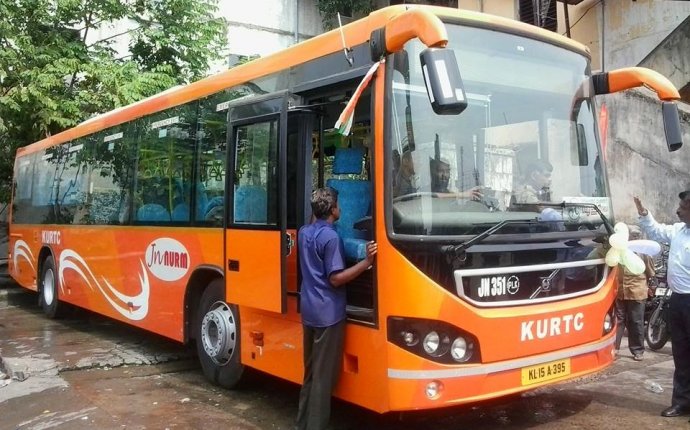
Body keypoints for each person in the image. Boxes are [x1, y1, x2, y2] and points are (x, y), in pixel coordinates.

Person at [296, 187, 377, 430]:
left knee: (310, 373)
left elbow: (314, 222)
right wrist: (366, 262)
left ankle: (302, 424)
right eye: (338, 205)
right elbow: (335, 278)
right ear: (332, 211)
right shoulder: (332, 238)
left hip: (308, 310)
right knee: (324, 377)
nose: (340, 209)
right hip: (328, 315)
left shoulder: (303, 233)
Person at [634, 193, 690, 418]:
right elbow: (656, 230)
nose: (678, 210)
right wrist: (643, 212)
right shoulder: (678, 230)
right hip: (677, 301)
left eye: (684, 207)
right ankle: (681, 402)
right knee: (681, 353)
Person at [614, 224, 655, 361]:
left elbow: (650, 273)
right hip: (620, 291)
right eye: (633, 235)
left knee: (636, 321)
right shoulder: (619, 250)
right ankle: (614, 348)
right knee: (618, 320)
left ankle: (638, 350)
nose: (635, 237)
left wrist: (649, 286)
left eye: (637, 235)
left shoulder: (644, 253)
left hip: (637, 291)